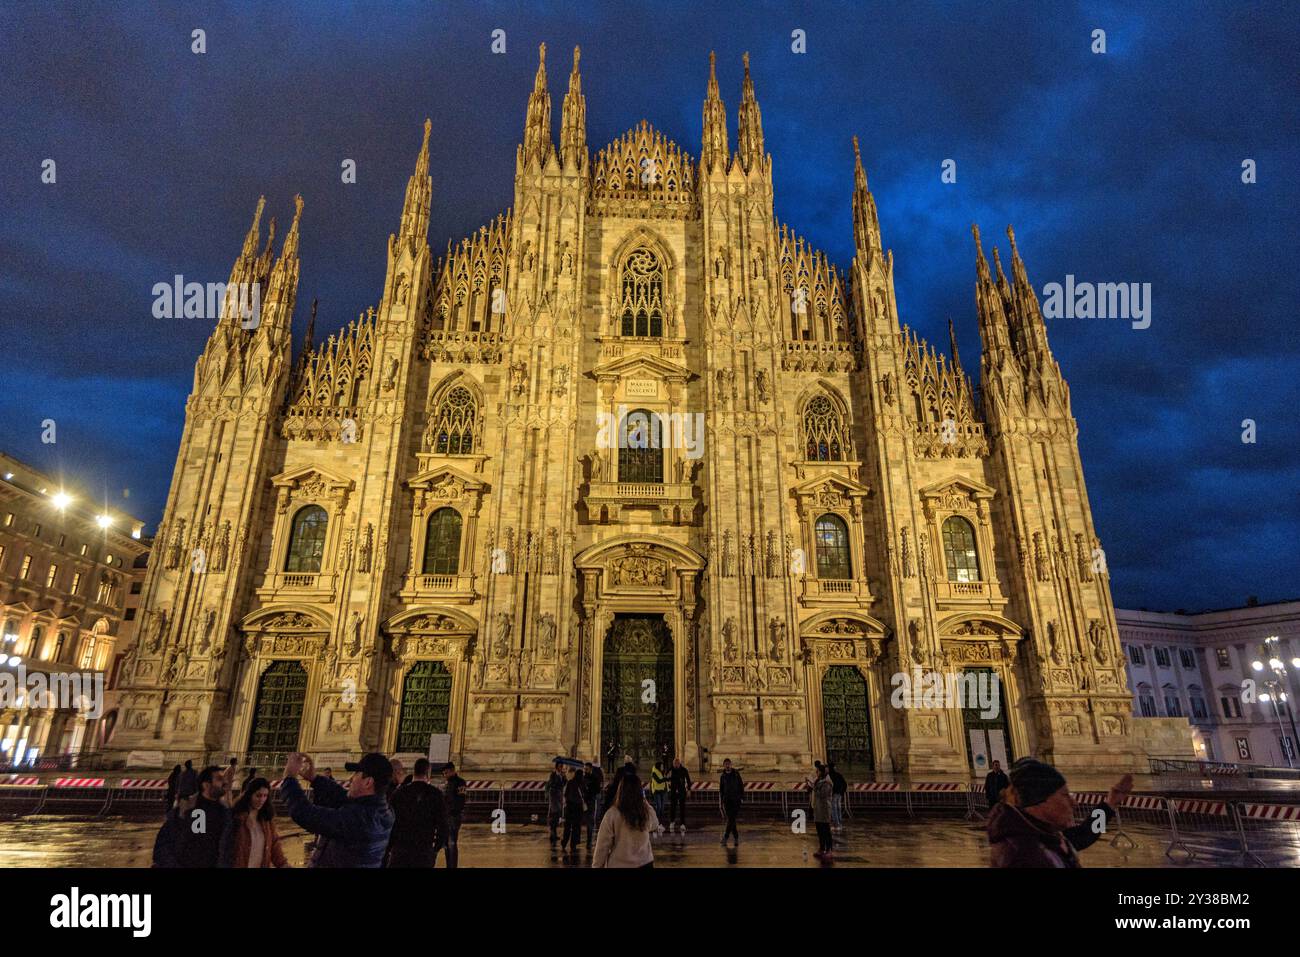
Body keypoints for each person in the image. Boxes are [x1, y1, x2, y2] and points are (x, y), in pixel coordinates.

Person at [987, 757, 1133, 868]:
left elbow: (1085, 834)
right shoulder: (1024, 855)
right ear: (1042, 801)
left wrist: (1110, 804)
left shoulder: (1042, 835)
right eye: (1064, 795)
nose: (1074, 802)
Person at [279, 752, 395, 868]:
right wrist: (315, 779)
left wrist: (289, 778)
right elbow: (342, 797)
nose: (351, 779)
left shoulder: (360, 820)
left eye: (356, 774)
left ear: (368, 782)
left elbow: (304, 813)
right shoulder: (383, 811)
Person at [386, 758, 446, 867]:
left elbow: (389, 822)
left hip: (400, 851)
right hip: (423, 851)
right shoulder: (436, 794)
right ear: (428, 773)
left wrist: (389, 848)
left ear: (414, 772)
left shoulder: (398, 793)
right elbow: (443, 825)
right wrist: (435, 849)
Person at [592, 771, 659, 868]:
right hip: (644, 863)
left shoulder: (612, 814)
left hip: (619, 863)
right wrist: (644, 802)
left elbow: (602, 845)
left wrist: (596, 865)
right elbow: (655, 824)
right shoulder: (645, 812)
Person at [218, 777, 289, 868]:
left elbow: (274, 845)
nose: (262, 800)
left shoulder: (266, 820)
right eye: (258, 795)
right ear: (249, 795)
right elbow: (224, 849)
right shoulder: (236, 818)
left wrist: (283, 864)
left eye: (265, 796)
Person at [177, 765, 230, 867]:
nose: (225, 782)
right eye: (219, 779)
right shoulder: (189, 808)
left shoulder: (224, 811)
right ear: (206, 785)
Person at [440, 762, 468, 868]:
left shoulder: (460, 782)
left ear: (452, 771)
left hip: (454, 816)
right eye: (443, 773)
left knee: (451, 842)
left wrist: (453, 811)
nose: (445, 775)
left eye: (446, 773)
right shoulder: (446, 783)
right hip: (446, 816)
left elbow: (461, 800)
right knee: (446, 844)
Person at [805, 764, 835, 860]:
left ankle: (829, 850)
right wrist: (810, 784)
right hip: (818, 808)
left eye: (817, 771)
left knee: (826, 830)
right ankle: (822, 848)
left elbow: (823, 794)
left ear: (821, 772)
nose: (816, 773)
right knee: (820, 830)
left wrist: (814, 786)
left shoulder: (827, 782)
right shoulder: (818, 781)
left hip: (825, 809)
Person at [560, 765, 587, 855]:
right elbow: (584, 795)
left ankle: (564, 842)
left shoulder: (570, 782)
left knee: (567, 826)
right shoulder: (582, 784)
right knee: (576, 826)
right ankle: (573, 843)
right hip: (578, 808)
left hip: (570, 807)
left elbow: (566, 794)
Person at [718, 758, 744, 847]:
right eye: (726, 764)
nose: (727, 765)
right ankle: (735, 837)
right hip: (727, 801)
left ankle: (726, 837)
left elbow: (741, 785)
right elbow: (721, 789)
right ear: (724, 765)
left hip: (736, 800)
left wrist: (742, 797)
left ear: (731, 764)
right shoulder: (722, 776)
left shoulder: (736, 774)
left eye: (728, 764)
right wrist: (721, 801)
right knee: (731, 819)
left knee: (731, 819)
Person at [544, 760, 566, 843]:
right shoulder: (553, 775)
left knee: (557, 816)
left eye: (562, 766)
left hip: (559, 797)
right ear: (557, 767)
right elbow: (552, 784)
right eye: (560, 766)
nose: (561, 768)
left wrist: (564, 776)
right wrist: (558, 777)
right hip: (554, 797)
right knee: (554, 815)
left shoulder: (561, 775)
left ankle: (554, 834)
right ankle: (552, 834)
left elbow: (564, 783)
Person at [668, 757, 691, 832]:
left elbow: (688, 780)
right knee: (672, 808)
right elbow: (666, 777)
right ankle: (672, 822)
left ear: (679, 763)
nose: (676, 765)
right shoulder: (671, 770)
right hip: (673, 792)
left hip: (681, 791)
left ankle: (682, 824)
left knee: (682, 808)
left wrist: (689, 790)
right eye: (674, 763)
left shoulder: (684, 770)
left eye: (677, 763)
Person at [827, 761, 847, 832]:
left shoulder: (829, 775)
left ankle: (836, 824)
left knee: (834, 809)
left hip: (834, 793)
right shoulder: (838, 774)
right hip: (839, 793)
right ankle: (840, 822)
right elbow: (844, 783)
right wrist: (842, 791)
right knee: (838, 808)